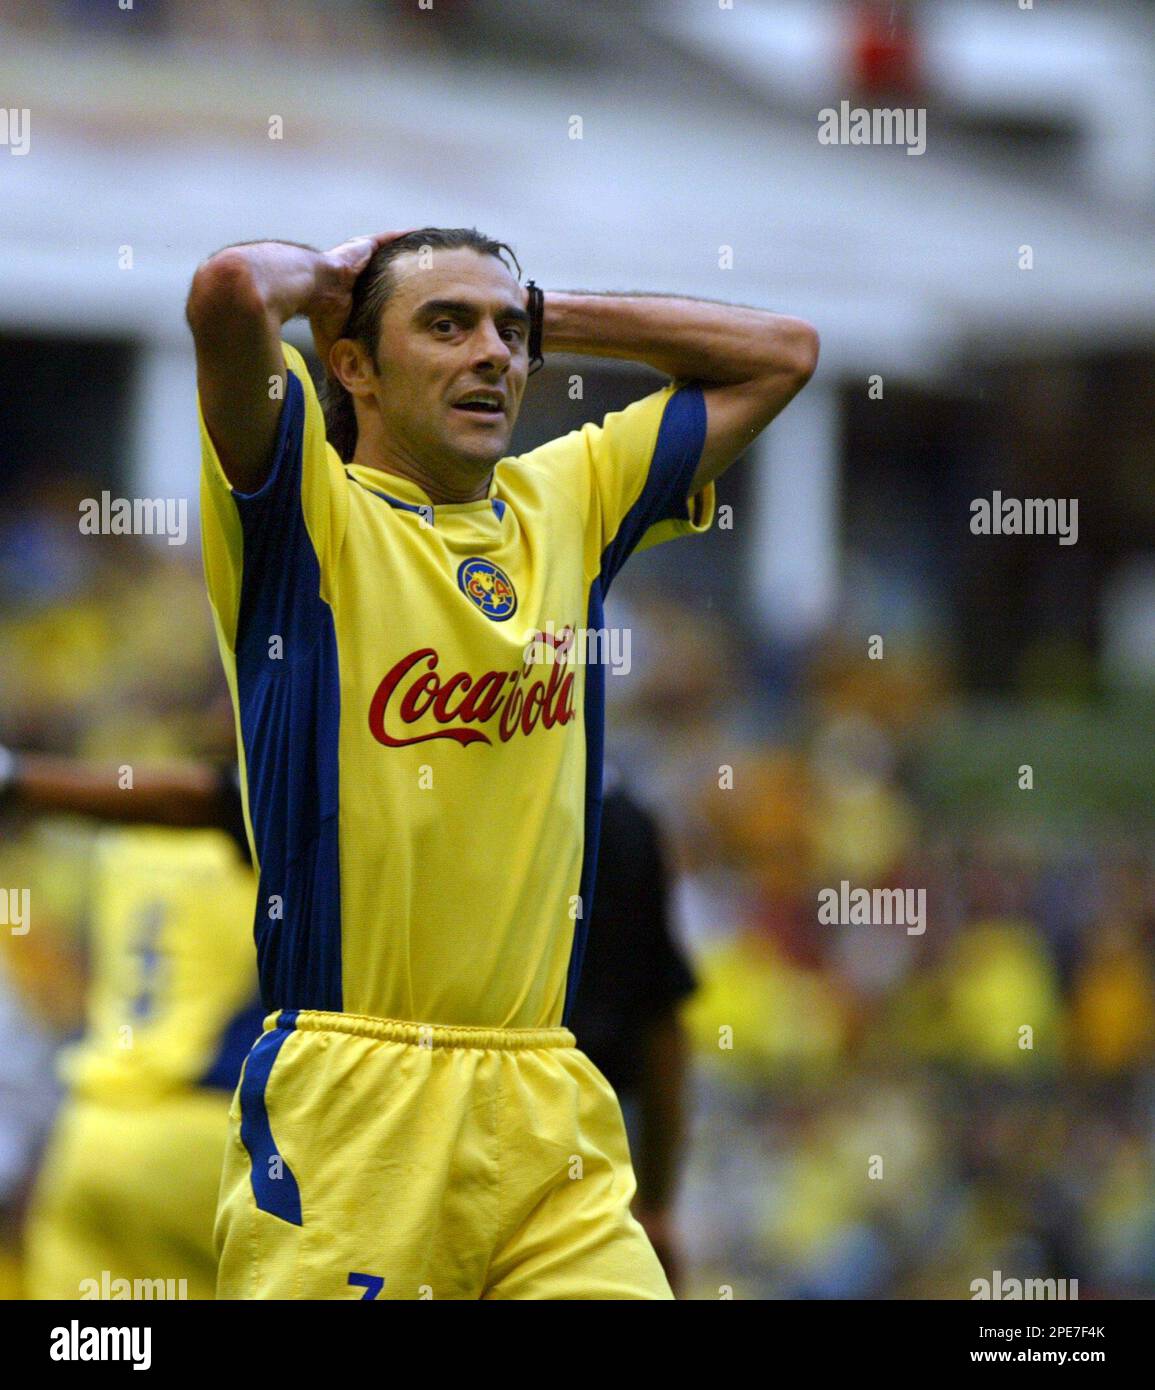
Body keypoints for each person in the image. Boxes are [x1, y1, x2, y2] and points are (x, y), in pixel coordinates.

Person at [185, 225, 817, 1299]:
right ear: (352, 364)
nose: (494, 354)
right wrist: (330, 278)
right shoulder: (306, 518)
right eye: (445, 325)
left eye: (506, 334)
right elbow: (231, 289)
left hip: (545, 1099)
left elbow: (783, 353)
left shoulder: (564, 501)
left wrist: (552, 312)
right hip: (352, 1104)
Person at [0, 751, 261, 1299]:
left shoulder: (127, 843)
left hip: (93, 1131)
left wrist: (21, 779)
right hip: (214, 1135)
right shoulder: (269, 826)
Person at [567, 765, 696, 1294]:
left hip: (449, 1124)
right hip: (593, 1144)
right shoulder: (619, 817)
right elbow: (662, 1030)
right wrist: (659, 1206)